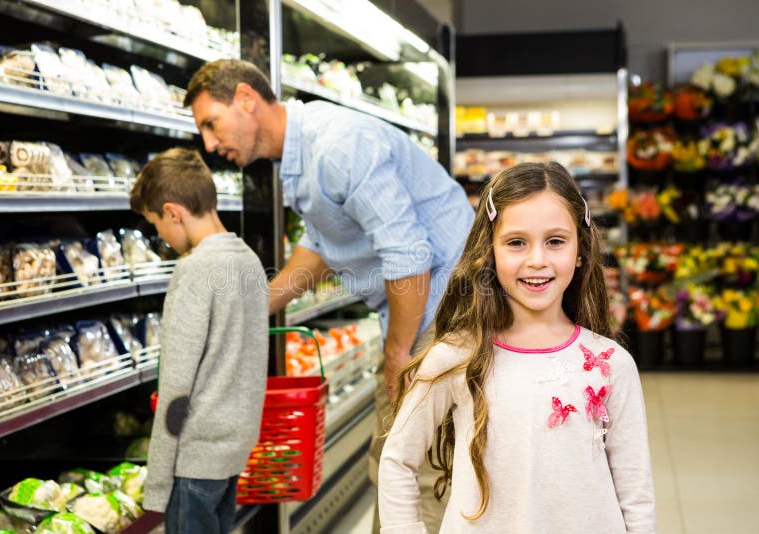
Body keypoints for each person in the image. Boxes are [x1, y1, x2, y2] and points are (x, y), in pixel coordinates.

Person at [183, 58, 474, 532]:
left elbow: (407, 256)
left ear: (245, 99)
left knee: (415, 469)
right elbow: (321, 247)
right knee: (398, 465)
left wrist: (398, 352)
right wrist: (253, 309)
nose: (211, 145)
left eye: (211, 125)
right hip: (429, 303)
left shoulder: (338, 147)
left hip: (447, 308)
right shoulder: (302, 157)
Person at [378, 162, 656, 533]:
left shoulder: (610, 363)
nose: (537, 259)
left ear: (580, 250)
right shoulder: (457, 356)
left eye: (555, 241)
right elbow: (398, 461)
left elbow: (635, 491)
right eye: (516, 243)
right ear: (489, 251)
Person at [131, 147, 269, 534]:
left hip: (193, 459)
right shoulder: (249, 261)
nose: (160, 235)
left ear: (174, 212)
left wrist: (157, 485)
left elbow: (176, 387)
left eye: (156, 223)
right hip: (231, 451)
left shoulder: (194, 270)